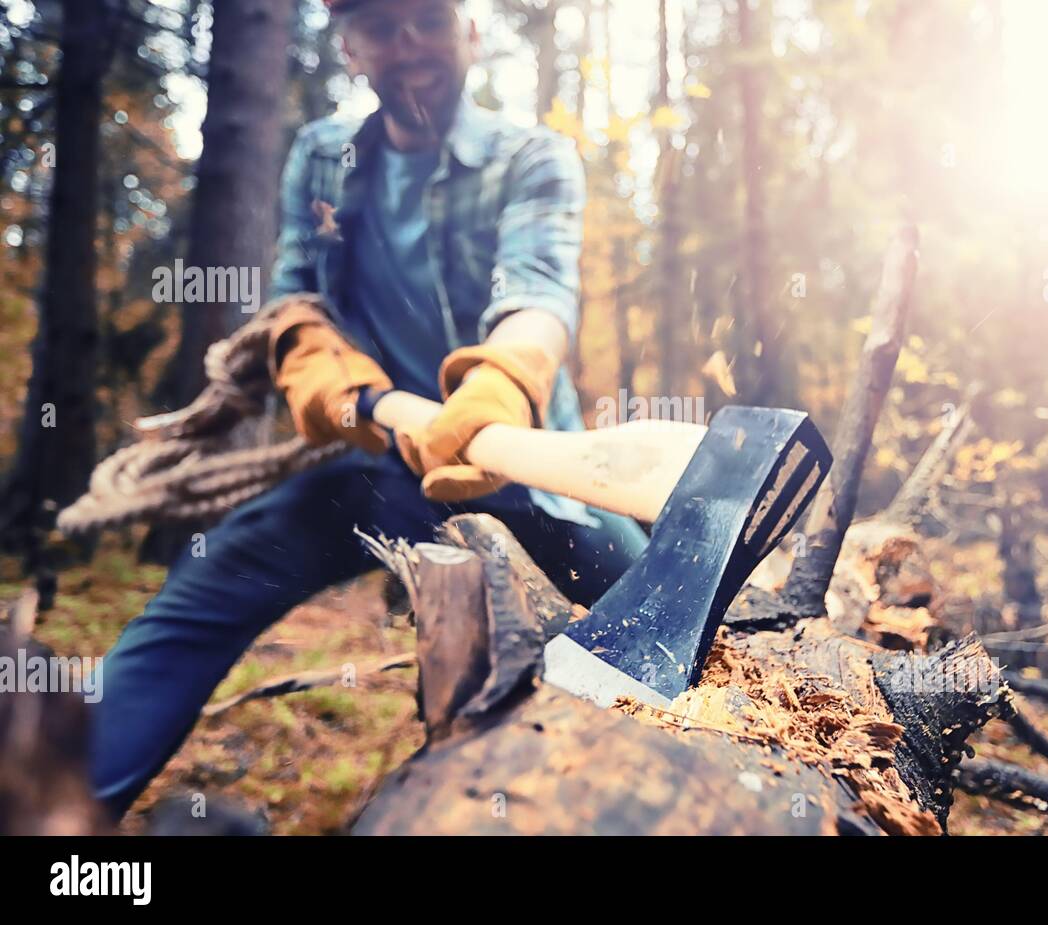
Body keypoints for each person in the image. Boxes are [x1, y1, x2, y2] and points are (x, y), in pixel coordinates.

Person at [89, 0, 648, 820]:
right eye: (382, 26)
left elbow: (538, 295)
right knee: (213, 577)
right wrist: (335, 379)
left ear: (470, 30)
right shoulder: (323, 158)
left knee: (653, 620)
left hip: (535, 476)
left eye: (427, 18)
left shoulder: (534, 157)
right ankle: (48, 800)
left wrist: (498, 384)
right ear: (350, 46)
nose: (408, 43)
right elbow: (297, 306)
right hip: (383, 473)